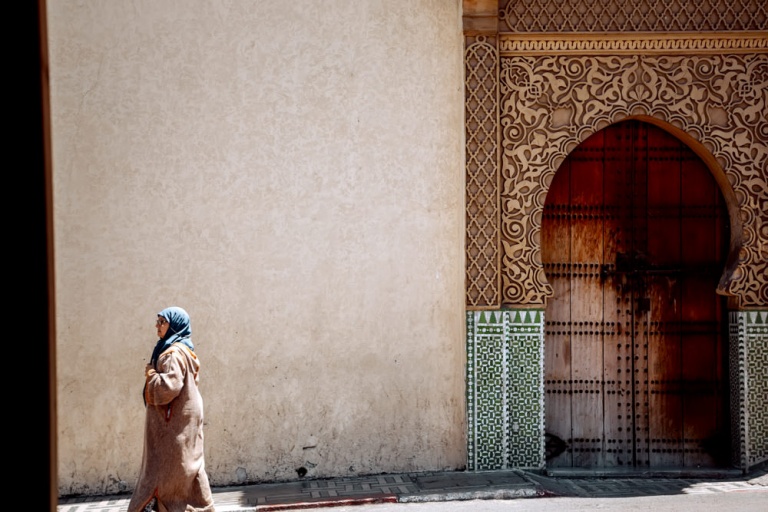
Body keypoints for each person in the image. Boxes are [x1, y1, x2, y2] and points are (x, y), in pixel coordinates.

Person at [128, 306, 216, 512]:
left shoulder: (173, 353)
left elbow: (169, 387)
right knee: (189, 467)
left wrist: (151, 374)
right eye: (157, 321)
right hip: (184, 422)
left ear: (174, 325)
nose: (157, 326)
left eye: (162, 322)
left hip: (173, 425)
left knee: (164, 470)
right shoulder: (185, 350)